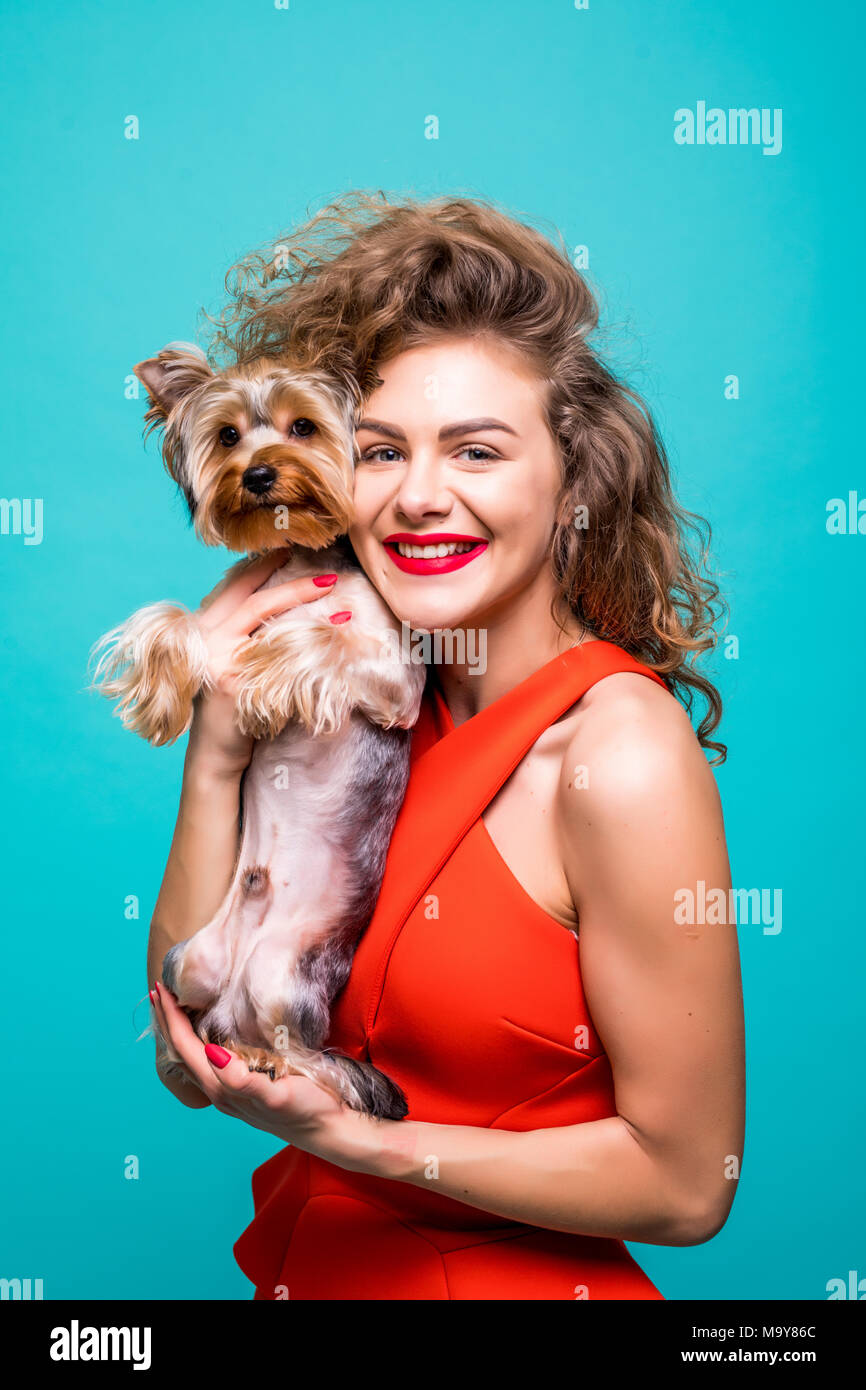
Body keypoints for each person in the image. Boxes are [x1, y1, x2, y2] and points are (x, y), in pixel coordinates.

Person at [147, 192, 745, 1300]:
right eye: (380, 451)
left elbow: (685, 1184)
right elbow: (191, 1052)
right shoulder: (359, 699)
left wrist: (363, 1141)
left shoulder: (614, 754)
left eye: (475, 449)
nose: (420, 496)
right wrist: (216, 745)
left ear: (573, 485)